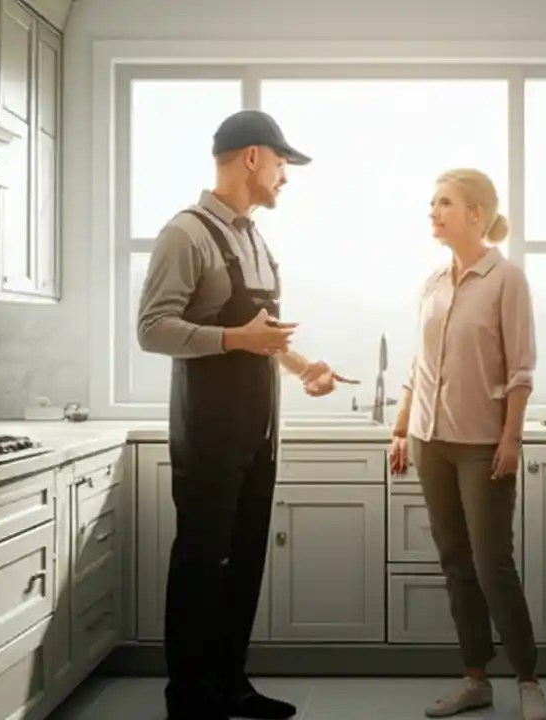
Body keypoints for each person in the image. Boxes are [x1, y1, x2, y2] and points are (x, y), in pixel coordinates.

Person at [137, 109, 346, 720]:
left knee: (245, 559)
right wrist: (234, 342)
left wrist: (303, 365)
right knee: (202, 562)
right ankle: (191, 699)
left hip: (258, 430)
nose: (286, 177)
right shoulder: (186, 233)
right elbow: (153, 330)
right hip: (207, 431)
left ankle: (231, 685)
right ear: (253, 157)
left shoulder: (253, 236)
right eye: (283, 164)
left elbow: (261, 332)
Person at [389, 169, 546, 720]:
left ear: (476, 213)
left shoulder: (507, 280)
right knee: (456, 563)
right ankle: (475, 679)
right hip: (430, 442)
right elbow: (419, 364)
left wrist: (512, 438)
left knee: (491, 564)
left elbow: (521, 370)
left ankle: (528, 679)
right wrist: (400, 426)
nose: (433, 212)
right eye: (431, 203)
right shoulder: (432, 283)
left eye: (445, 203)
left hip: (483, 446)